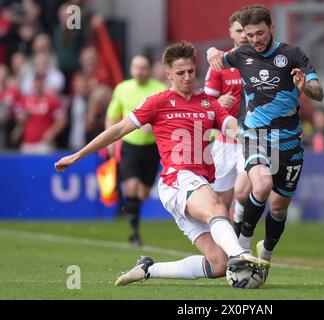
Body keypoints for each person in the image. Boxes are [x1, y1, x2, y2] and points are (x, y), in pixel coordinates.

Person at [54, 41, 270, 286]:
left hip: (197, 183)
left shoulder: (209, 103)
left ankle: (149, 269)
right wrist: (77, 155)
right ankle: (241, 254)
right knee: (218, 209)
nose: (187, 77)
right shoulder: (158, 102)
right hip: (177, 180)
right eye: (180, 73)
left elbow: (229, 125)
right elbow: (118, 130)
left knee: (218, 264)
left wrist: (240, 134)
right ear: (167, 74)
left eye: (191, 71)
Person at [207, 4, 324, 262]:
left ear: (271, 28)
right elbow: (218, 59)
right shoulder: (241, 54)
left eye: (260, 33)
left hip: (290, 143)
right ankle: (243, 248)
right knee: (261, 186)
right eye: (250, 35)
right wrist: (211, 51)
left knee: (279, 207)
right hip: (255, 136)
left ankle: (267, 253)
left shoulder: (292, 55)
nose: (255, 40)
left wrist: (306, 87)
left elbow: (319, 91)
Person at [105, 54, 167, 246]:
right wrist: (110, 141)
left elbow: (168, 117)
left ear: (149, 70)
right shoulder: (122, 89)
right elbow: (112, 116)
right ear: (131, 69)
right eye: (136, 67)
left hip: (152, 147)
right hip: (129, 144)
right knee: (131, 186)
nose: (139, 71)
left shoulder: (160, 89)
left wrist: (155, 124)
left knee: (144, 193)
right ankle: (134, 232)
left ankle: (134, 214)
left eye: (143, 67)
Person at [204, 10, 252, 236]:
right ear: (230, 32)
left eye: (247, 30)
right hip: (225, 140)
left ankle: (240, 230)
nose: (244, 35)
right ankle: (226, 237)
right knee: (221, 197)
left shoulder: (263, 62)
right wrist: (217, 101)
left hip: (254, 137)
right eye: (239, 30)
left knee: (243, 192)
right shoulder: (219, 63)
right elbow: (203, 104)